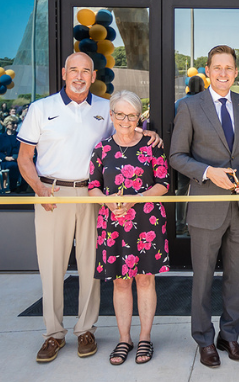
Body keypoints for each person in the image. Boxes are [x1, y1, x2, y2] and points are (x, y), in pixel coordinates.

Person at [16, 52, 161, 363]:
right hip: (52, 192)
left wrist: (148, 133)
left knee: (90, 268)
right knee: (52, 267)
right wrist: (40, 190)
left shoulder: (104, 109)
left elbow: (127, 132)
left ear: (94, 76)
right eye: (74, 70)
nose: (79, 76)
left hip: (94, 195)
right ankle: (54, 334)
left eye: (86, 71)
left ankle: (86, 329)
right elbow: (24, 158)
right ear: (64, 72)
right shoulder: (42, 109)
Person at [169, 45, 239, 368]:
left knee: (237, 275)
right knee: (203, 278)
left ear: (237, 72)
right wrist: (208, 173)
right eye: (217, 67)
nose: (223, 73)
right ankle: (204, 339)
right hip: (207, 205)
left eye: (229, 68)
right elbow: (176, 156)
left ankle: (229, 335)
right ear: (207, 71)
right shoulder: (189, 106)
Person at [87, 90, 170, 365]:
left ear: (139, 116)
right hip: (113, 222)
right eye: (120, 114)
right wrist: (109, 203)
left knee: (145, 279)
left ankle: (145, 337)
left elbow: (164, 184)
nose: (125, 120)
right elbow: (93, 187)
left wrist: (137, 198)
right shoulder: (101, 148)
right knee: (120, 282)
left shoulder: (152, 146)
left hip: (146, 221)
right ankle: (125, 339)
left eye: (131, 115)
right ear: (111, 115)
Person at [174, 75, 205, 236]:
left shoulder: (179, 103)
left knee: (181, 190)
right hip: (201, 156)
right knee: (200, 190)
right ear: (202, 87)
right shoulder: (204, 104)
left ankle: (180, 224)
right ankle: (197, 225)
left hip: (183, 155)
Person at [0, 121, 22, 193]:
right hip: (6, 161)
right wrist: (6, 158)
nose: (15, 125)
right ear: (7, 126)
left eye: (16, 123)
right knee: (13, 166)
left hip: (18, 158)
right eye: (13, 124)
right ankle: (13, 187)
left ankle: (23, 187)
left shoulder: (20, 136)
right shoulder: (1, 137)